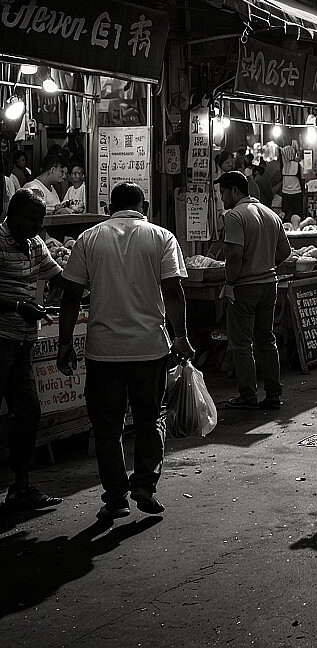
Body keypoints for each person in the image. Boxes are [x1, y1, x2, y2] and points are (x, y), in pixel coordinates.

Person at [56, 183, 194, 520]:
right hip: (149, 348)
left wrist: (63, 344)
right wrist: (182, 338)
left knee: (106, 426)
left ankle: (116, 496)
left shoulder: (89, 238)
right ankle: (144, 484)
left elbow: (71, 294)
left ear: (108, 206)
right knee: (151, 419)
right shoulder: (161, 237)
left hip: (103, 350)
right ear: (144, 205)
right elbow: (173, 290)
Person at [0, 190, 69, 512]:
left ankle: (21, 486)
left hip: (24, 340)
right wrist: (16, 306)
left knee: (28, 412)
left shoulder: (35, 243)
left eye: (40, 222)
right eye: (30, 220)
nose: (35, 227)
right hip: (1, 339)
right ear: (12, 214)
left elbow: (61, 277)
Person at [217, 171, 290, 412]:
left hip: (245, 286)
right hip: (269, 284)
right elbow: (285, 252)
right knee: (267, 340)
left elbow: (235, 255)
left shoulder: (235, 216)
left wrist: (230, 281)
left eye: (223, 193)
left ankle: (248, 395)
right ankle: (273, 395)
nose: (222, 198)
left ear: (235, 191)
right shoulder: (271, 214)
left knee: (241, 344)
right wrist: (266, 264)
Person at [279, 144, 304, 223]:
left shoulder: (283, 165)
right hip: (297, 193)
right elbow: (302, 179)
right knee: (298, 215)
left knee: (285, 216)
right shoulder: (297, 165)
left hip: (285, 194)